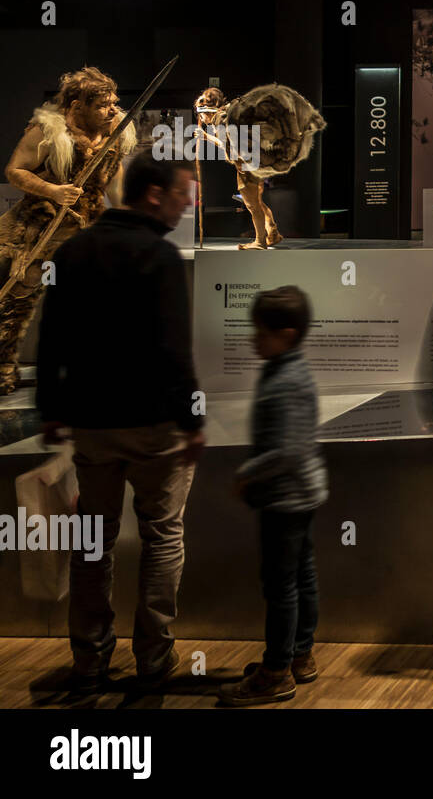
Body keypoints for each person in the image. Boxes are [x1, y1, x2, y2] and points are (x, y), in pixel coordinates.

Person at [36, 149, 203, 692]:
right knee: (162, 536)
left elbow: (51, 339)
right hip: (154, 424)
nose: (186, 206)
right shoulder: (161, 258)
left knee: (92, 540)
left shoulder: (74, 249)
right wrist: (193, 417)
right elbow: (176, 349)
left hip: (91, 426)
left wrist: (52, 412)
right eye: (183, 196)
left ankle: (90, 657)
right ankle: (154, 656)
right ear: (154, 195)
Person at [220, 285, 328, 706]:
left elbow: (288, 451)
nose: (253, 340)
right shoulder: (287, 370)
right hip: (300, 495)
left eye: (261, 332)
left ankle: (277, 670)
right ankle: (300, 655)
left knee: (281, 584)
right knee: (301, 576)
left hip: (286, 499)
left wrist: (248, 473)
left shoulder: (287, 381)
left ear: (285, 334)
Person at [0, 67, 135, 394]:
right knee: (15, 301)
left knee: (92, 302)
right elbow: (14, 170)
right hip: (36, 229)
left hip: (86, 230)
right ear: (77, 106)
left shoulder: (114, 130)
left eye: (113, 103)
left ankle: (85, 368)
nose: (111, 110)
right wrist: (52, 190)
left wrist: (128, 218)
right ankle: (2, 365)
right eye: (102, 105)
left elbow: (113, 181)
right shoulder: (48, 132)